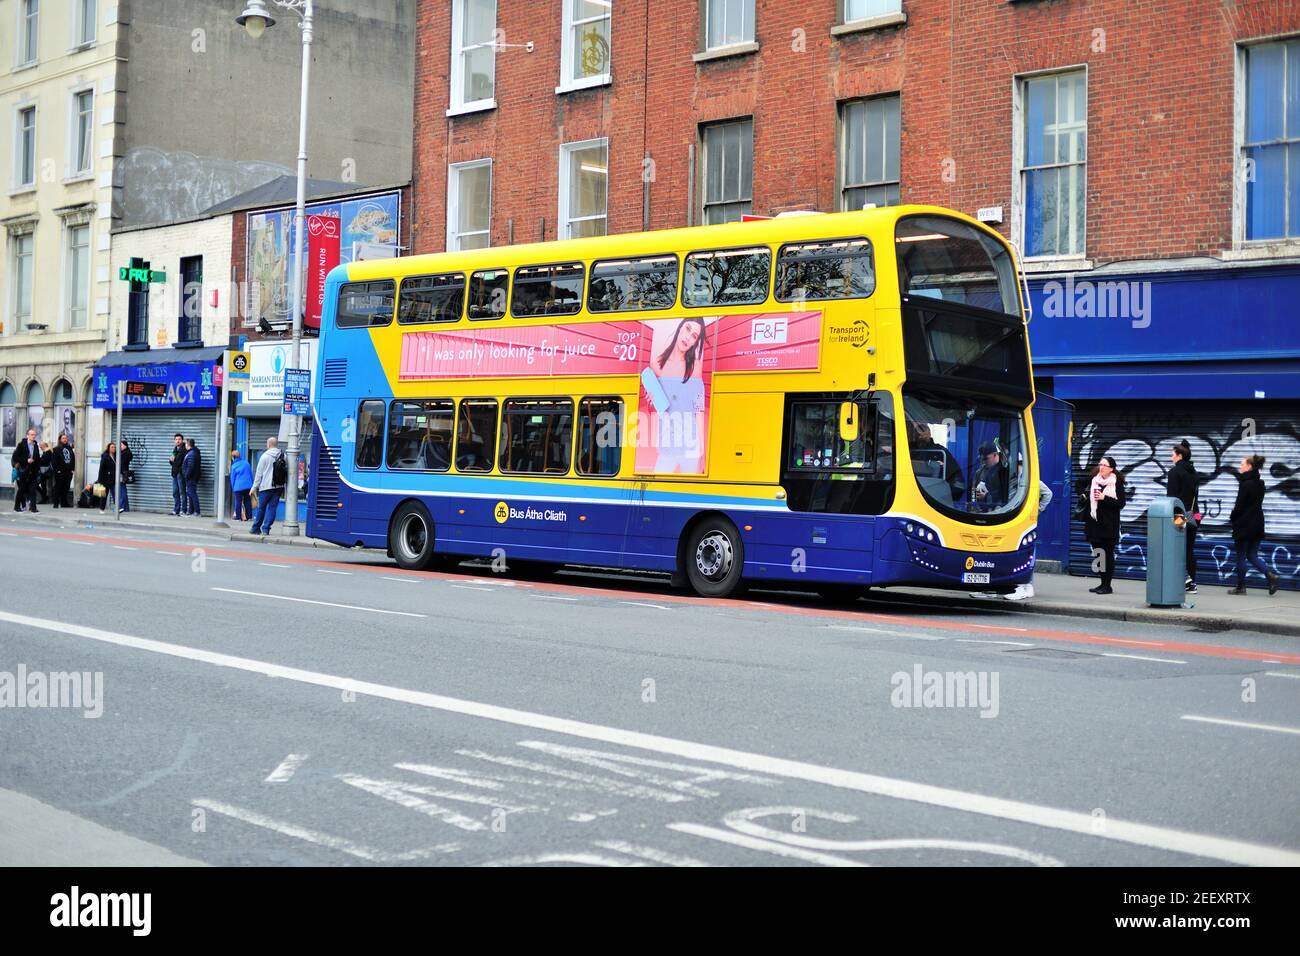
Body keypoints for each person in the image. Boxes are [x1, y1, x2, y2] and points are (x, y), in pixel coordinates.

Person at [646, 317, 708, 473]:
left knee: (689, 495)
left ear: (695, 342)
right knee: (657, 491)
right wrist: (652, 402)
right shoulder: (656, 364)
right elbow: (655, 409)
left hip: (691, 445)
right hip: (667, 445)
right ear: (680, 328)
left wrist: (702, 450)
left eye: (694, 336)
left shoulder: (695, 367)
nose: (688, 337)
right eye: (687, 329)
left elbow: (699, 409)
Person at [1229, 454, 1279, 596]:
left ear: (1249, 466)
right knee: (1252, 555)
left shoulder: (1245, 484)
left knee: (1241, 556)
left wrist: (1232, 517)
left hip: (1244, 524)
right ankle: (1270, 576)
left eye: (1242, 464)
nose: (1240, 466)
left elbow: (1239, 506)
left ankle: (1241, 587)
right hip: (1257, 523)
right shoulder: (1259, 483)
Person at [1083, 456, 1125, 595]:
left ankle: (1107, 585)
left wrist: (1104, 498)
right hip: (1094, 523)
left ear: (1111, 468)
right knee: (1099, 554)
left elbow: (1121, 503)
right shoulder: (1094, 480)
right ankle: (1101, 583)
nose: (1101, 467)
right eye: (1100, 464)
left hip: (1109, 525)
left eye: (1105, 465)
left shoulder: (1116, 482)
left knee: (1107, 554)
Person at [1166, 440, 1200, 593]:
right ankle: (1191, 580)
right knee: (1189, 549)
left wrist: (1170, 516)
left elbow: (1171, 498)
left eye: (1173, 454)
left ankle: (1187, 582)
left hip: (1180, 514)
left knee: (1177, 548)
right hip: (1194, 513)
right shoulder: (1193, 472)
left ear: (1179, 455)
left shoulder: (1174, 472)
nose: (1171, 457)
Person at [250, 437, 286, 536]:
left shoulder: (264, 456)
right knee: (272, 508)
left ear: (269, 444)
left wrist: (253, 488)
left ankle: (256, 528)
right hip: (278, 487)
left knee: (261, 508)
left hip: (265, 487)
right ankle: (266, 529)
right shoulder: (283, 455)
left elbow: (259, 474)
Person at [10, 428, 41, 513]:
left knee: (33, 490)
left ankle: (33, 508)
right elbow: (16, 457)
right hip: (23, 471)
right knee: (21, 490)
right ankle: (16, 507)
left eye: (34, 435)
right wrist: (26, 460)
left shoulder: (36, 445)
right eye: (31, 434)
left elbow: (37, 458)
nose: (33, 436)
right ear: (27, 435)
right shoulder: (21, 445)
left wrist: (37, 468)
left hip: (33, 471)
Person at [972, 443, 1005, 511]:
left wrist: (987, 496)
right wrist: (973, 505)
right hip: (982, 510)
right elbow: (973, 491)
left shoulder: (1003, 471)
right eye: (981, 459)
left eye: (985, 458)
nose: (983, 462)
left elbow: (1004, 493)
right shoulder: (979, 472)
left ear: (995, 455)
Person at [51, 433, 75, 508]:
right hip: (60, 471)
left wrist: (72, 469)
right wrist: (57, 470)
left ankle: (64, 503)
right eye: (63, 438)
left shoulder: (69, 448)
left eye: (66, 438)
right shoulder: (56, 449)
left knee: (66, 487)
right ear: (60, 440)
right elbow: (54, 461)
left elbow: (73, 458)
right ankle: (56, 503)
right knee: (58, 487)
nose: (65, 439)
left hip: (68, 471)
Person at [230, 449, 255, 521]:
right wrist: (252, 485)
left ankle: (238, 518)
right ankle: (249, 517)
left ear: (233, 457)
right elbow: (251, 475)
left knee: (238, 502)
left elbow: (232, 478)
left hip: (238, 487)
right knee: (247, 501)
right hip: (248, 486)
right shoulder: (246, 463)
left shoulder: (234, 466)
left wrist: (233, 487)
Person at [182, 439, 202, 516]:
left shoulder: (191, 453)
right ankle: (191, 511)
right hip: (192, 477)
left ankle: (197, 511)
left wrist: (186, 475)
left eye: (185, 444)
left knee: (192, 494)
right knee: (190, 494)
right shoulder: (193, 452)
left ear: (188, 444)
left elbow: (191, 466)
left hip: (191, 477)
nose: (185, 446)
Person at [96, 441, 117, 513]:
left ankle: (117, 508)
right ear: (108, 448)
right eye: (112, 447)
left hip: (113, 479)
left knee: (115, 494)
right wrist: (100, 480)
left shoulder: (116, 456)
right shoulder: (105, 456)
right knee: (104, 495)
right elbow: (101, 468)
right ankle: (101, 509)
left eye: (114, 447)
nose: (114, 448)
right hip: (105, 479)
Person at [168, 433, 186, 515]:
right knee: (175, 492)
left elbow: (180, 462)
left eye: (179, 439)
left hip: (180, 474)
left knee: (182, 492)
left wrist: (173, 461)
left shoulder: (184, 449)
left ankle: (184, 510)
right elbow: (173, 462)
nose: (177, 441)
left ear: (182, 440)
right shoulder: (175, 449)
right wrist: (171, 461)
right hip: (174, 473)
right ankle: (176, 509)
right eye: (176, 439)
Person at [117, 438, 134, 513]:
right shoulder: (126, 452)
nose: (120, 446)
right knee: (123, 490)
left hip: (122, 473)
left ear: (125, 446)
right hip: (123, 473)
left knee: (122, 491)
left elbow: (121, 464)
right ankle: (126, 508)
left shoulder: (125, 453)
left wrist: (121, 473)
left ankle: (122, 507)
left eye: (121, 445)